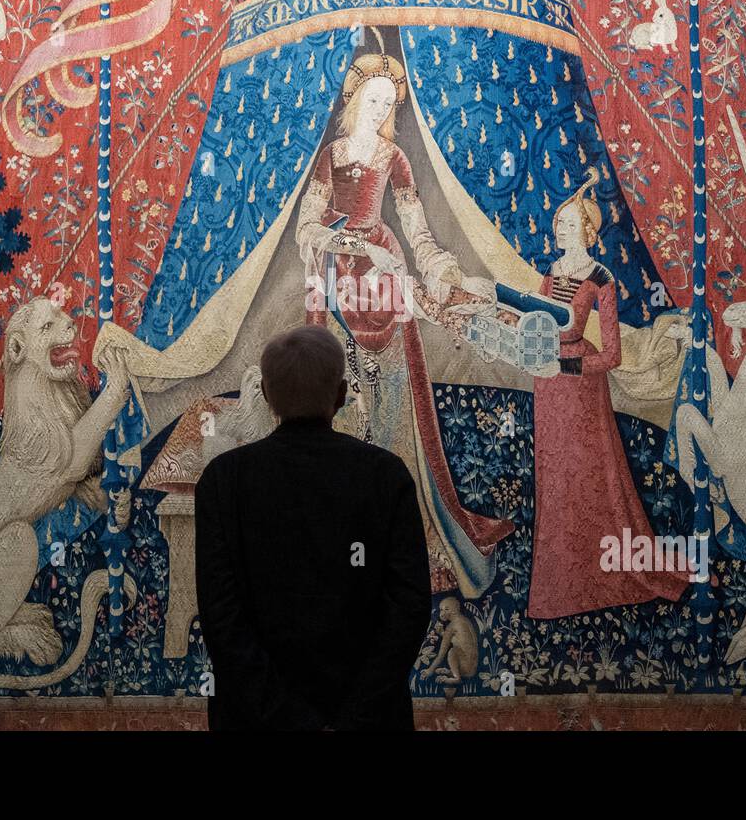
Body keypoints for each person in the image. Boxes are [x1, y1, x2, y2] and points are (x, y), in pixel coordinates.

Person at [295, 50, 513, 600]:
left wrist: (438, 265)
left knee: (392, 402)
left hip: (384, 274)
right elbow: (307, 224)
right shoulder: (332, 156)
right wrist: (347, 242)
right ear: (353, 102)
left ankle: (396, 529)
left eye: (388, 104)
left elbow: (415, 227)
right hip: (338, 278)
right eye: (372, 100)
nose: (379, 109)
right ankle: (340, 534)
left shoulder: (395, 158)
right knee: (341, 402)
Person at [195, 324, 432, 730]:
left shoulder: (224, 480)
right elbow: (409, 608)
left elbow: (221, 618)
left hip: (254, 721)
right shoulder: (384, 476)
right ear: (341, 395)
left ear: (267, 396)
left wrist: (286, 718)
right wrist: (355, 715)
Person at [527, 183, 689, 618]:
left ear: (587, 229)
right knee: (554, 478)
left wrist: (572, 369)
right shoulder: (549, 273)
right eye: (558, 222)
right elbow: (539, 329)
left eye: (568, 223)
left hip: (580, 389)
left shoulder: (600, 279)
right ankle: (558, 584)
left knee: (588, 475)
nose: (559, 228)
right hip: (548, 386)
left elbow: (613, 354)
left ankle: (604, 576)